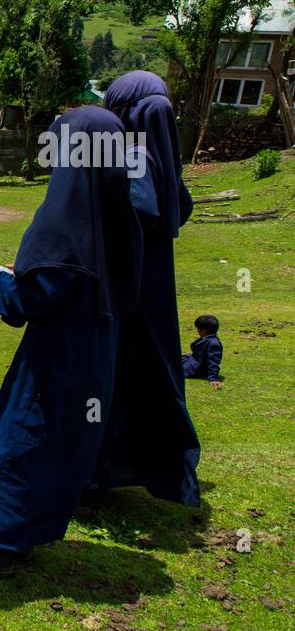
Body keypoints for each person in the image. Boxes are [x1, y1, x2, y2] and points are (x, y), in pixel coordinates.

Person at [0, 106, 143, 577]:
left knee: (20, 437)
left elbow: (38, 297)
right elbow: (77, 277)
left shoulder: (65, 217)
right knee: (64, 443)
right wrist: (23, 273)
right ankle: (25, 532)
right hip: (96, 348)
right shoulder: (115, 212)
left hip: (58, 355)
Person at [93, 70, 201, 508]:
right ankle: (152, 466)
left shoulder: (135, 157)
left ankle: (99, 471)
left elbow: (128, 222)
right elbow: (180, 208)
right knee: (150, 372)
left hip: (124, 289)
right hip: (154, 287)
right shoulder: (165, 160)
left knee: (114, 375)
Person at [182, 314, 223, 387]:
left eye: (198, 329)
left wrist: (213, 379)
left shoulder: (214, 344)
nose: (197, 331)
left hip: (196, 368)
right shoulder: (208, 339)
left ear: (203, 331)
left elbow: (213, 361)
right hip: (194, 361)